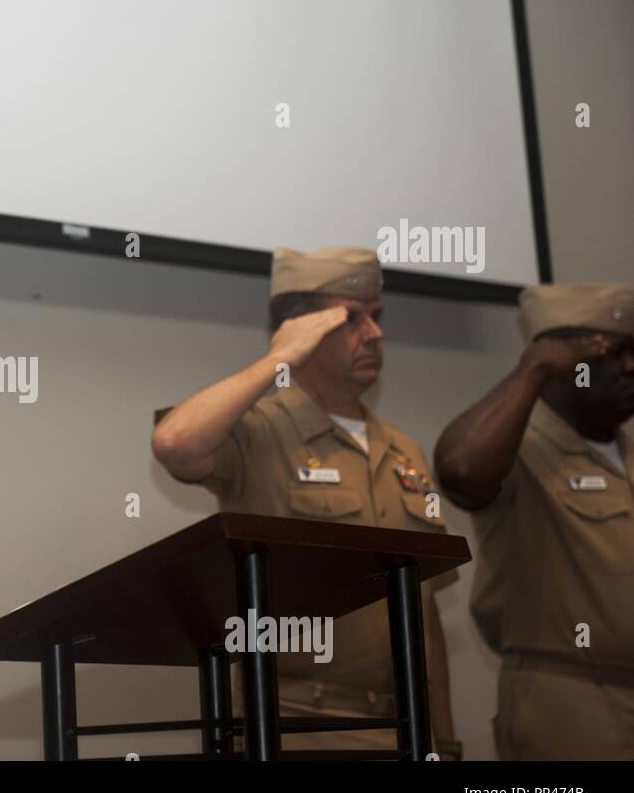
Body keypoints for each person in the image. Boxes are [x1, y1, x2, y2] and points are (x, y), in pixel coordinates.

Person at [152, 246, 458, 757]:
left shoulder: (403, 448)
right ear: (303, 329)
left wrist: (444, 741)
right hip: (298, 724)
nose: (376, 335)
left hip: (404, 723)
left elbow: (425, 611)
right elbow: (175, 444)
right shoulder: (259, 432)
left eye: (377, 318)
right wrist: (278, 359)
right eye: (352, 320)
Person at [435, 282, 634, 759]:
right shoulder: (518, 449)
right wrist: (534, 368)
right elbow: (460, 469)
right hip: (572, 698)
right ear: (560, 360)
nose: (630, 366)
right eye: (613, 352)